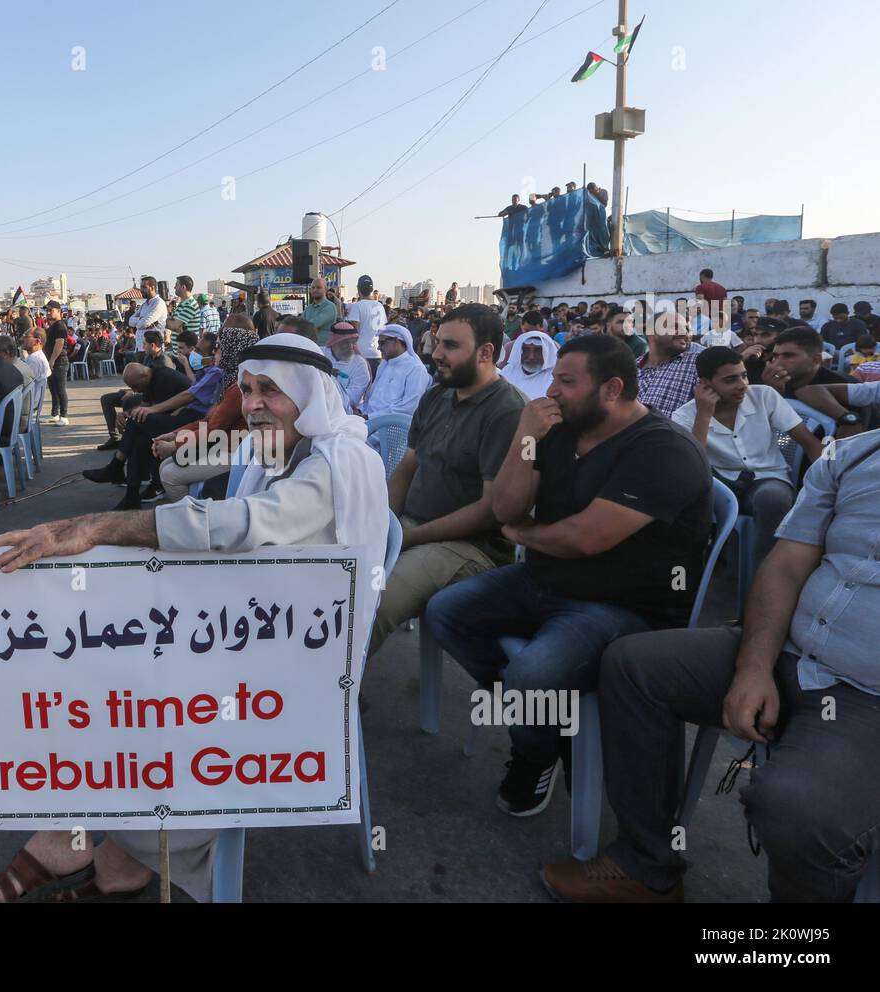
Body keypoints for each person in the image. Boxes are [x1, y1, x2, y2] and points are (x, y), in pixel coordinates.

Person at [0, 333, 387, 904]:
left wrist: (94, 528)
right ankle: (119, 862)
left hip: (300, 671)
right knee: (110, 679)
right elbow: (204, 472)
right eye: (247, 390)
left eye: (272, 391)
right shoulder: (280, 448)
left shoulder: (339, 462)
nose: (256, 402)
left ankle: (84, 841)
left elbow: (244, 522)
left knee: (138, 707)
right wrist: (178, 450)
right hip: (246, 629)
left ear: (309, 396)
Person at [543, 430, 880, 903]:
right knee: (634, 664)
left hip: (865, 696)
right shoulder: (857, 452)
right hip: (788, 647)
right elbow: (787, 561)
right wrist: (755, 667)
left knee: (797, 811)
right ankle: (647, 866)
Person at [424, 335, 713, 816]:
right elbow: (505, 507)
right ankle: (544, 726)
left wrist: (523, 534)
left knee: (533, 675)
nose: (552, 391)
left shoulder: (663, 450)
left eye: (567, 381)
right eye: (554, 379)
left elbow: (585, 538)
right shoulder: (560, 429)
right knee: (445, 612)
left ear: (612, 388)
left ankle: (532, 743)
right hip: (545, 580)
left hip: (623, 606)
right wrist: (524, 437)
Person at [370, 304, 526, 658]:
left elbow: (490, 510)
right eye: (437, 342)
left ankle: (334, 703)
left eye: (451, 346)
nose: (436, 353)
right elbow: (407, 468)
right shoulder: (438, 395)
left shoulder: (507, 410)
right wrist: (385, 525)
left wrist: (408, 537)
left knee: (372, 598)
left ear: (486, 352)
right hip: (412, 528)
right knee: (332, 575)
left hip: (470, 547)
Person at [672, 347, 821, 567]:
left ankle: (763, 573)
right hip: (719, 483)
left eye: (744, 375)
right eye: (730, 380)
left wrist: (823, 488)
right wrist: (704, 414)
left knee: (773, 499)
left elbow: (810, 443)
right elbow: (692, 469)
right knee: (684, 500)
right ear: (705, 383)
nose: (742, 385)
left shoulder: (764, 396)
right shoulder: (685, 415)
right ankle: (699, 570)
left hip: (767, 478)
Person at [85, 351, 225, 509]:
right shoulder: (154, 376)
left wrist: (148, 411)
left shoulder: (168, 377)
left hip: (192, 419)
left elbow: (187, 396)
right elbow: (146, 406)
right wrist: (129, 414)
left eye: (219, 349)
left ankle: (116, 467)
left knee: (137, 422)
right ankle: (131, 495)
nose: (214, 353)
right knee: (139, 437)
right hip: (185, 415)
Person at [154, 318, 256, 499]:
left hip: (236, 453)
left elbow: (213, 428)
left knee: (170, 475)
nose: (215, 352)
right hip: (223, 446)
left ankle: (193, 522)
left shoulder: (240, 387)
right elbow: (209, 421)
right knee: (166, 466)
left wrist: (174, 445)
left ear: (233, 351)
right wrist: (176, 434)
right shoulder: (233, 381)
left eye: (219, 347)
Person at [356, 325, 431, 422]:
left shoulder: (416, 368)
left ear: (396, 341)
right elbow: (372, 398)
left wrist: (369, 417)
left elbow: (409, 407)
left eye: (382, 343)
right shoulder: (384, 364)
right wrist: (360, 410)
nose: (379, 347)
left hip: (391, 428)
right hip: (368, 421)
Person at [636, 311, 701, 418]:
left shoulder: (696, 363)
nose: (684, 333)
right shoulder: (630, 368)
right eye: (674, 327)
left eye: (687, 329)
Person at [764, 326, 851, 400]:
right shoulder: (771, 383)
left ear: (816, 359)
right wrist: (771, 393)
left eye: (788, 356)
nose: (777, 363)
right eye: (775, 356)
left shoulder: (845, 388)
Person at [497, 329, 558, 400]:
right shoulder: (509, 370)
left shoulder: (554, 377)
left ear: (546, 353)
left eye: (537, 351)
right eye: (526, 350)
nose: (531, 357)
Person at [322, 323, 370, 412]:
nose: (351, 346)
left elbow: (353, 398)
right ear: (334, 342)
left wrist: (323, 395)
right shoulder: (320, 354)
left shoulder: (359, 363)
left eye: (353, 342)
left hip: (345, 412)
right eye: (346, 342)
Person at [40, 301, 72, 425]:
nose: (48, 313)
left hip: (59, 362)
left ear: (59, 311)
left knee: (60, 390)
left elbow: (60, 343)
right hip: (52, 362)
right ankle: (55, 414)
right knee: (53, 390)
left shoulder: (60, 325)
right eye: (47, 310)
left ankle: (64, 416)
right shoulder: (52, 326)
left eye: (51, 310)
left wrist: (52, 359)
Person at [344, 275, 387, 364]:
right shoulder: (380, 306)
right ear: (371, 290)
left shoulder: (357, 306)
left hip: (361, 353)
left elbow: (354, 332)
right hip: (377, 353)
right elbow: (383, 330)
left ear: (358, 289)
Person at [129, 276, 169, 344]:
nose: (141, 290)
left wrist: (140, 322)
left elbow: (144, 323)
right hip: (140, 346)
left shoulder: (159, 303)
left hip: (153, 347)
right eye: (141, 287)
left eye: (144, 287)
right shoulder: (144, 305)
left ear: (152, 288)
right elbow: (130, 321)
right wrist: (141, 320)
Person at [302, 277, 338, 343]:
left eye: (318, 287)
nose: (315, 290)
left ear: (326, 290)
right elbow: (299, 324)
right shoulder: (308, 308)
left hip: (323, 348)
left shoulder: (330, 307)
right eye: (313, 288)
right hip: (309, 347)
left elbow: (312, 325)